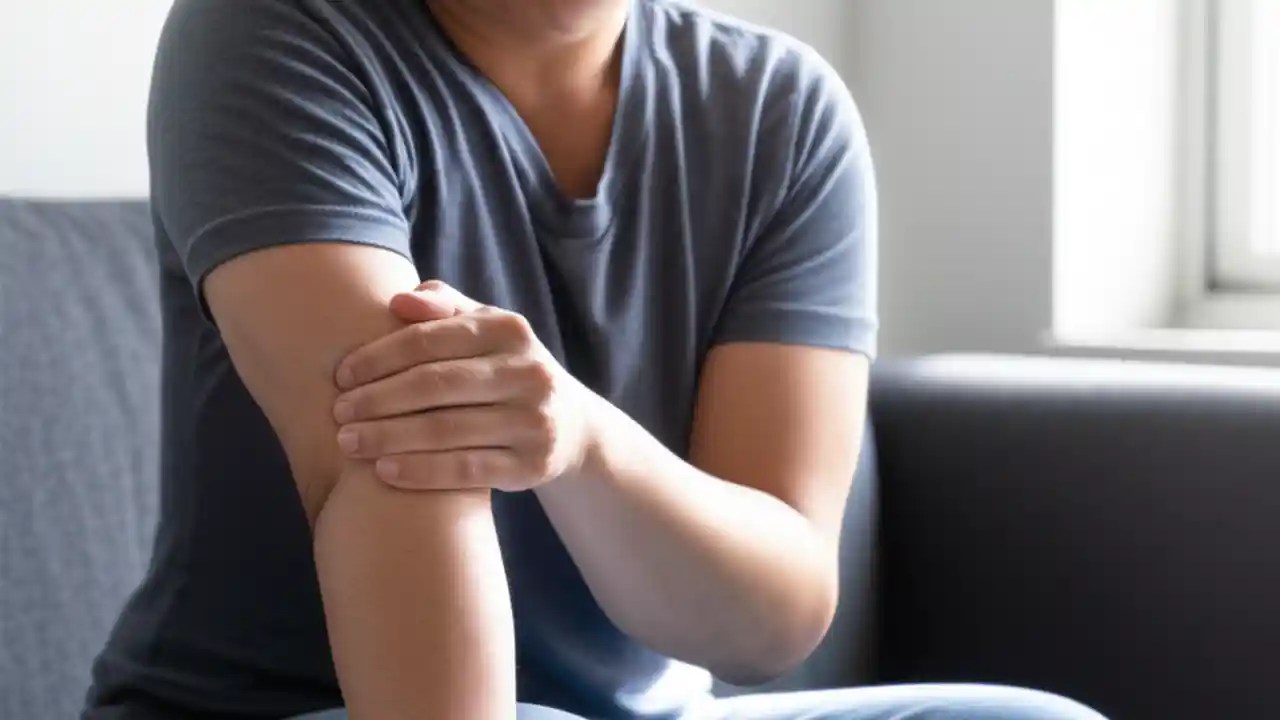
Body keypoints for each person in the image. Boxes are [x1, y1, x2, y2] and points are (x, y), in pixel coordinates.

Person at [84, 0, 1106, 718]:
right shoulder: (274, 32)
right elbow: (395, 460)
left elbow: (765, 621)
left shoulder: (782, 112)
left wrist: (581, 445)